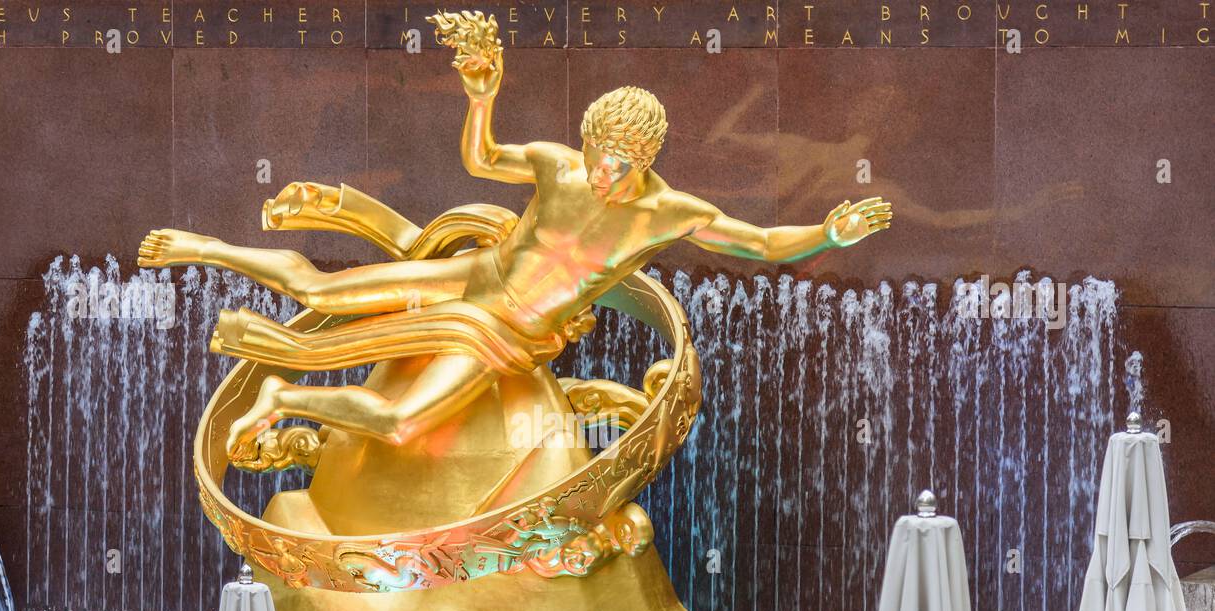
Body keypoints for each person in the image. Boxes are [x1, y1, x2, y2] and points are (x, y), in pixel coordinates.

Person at [137, 10, 890, 461]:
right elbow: (482, 159)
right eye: (598, 160)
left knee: (400, 422)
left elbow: (759, 245)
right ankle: (207, 248)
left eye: (618, 167)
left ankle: (285, 395)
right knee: (318, 287)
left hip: (506, 330)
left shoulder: (670, 213)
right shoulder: (561, 167)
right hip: (476, 276)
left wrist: (828, 232)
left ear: (647, 160)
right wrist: (481, 96)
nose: (601, 177)